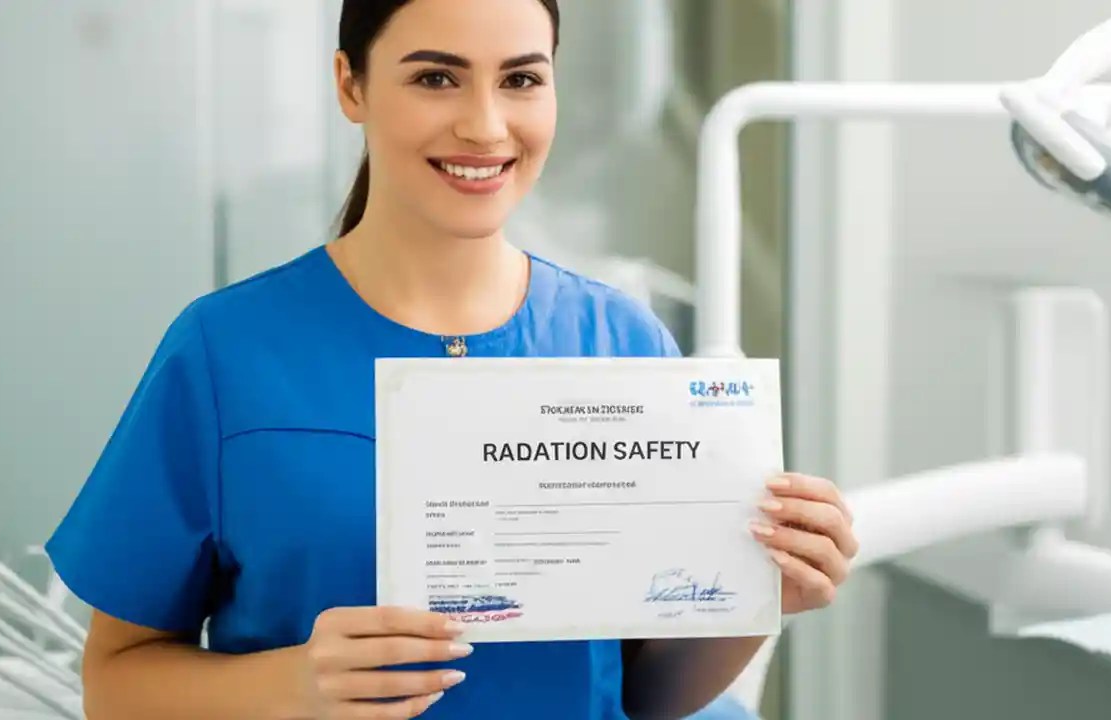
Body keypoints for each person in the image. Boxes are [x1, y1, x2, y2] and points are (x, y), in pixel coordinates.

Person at [44, 0, 859, 717]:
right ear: (351, 85)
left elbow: (641, 698)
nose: (485, 125)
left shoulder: (624, 343)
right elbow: (115, 683)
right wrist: (294, 688)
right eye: (437, 78)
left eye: (521, 80)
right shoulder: (226, 352)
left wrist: (757, 599)